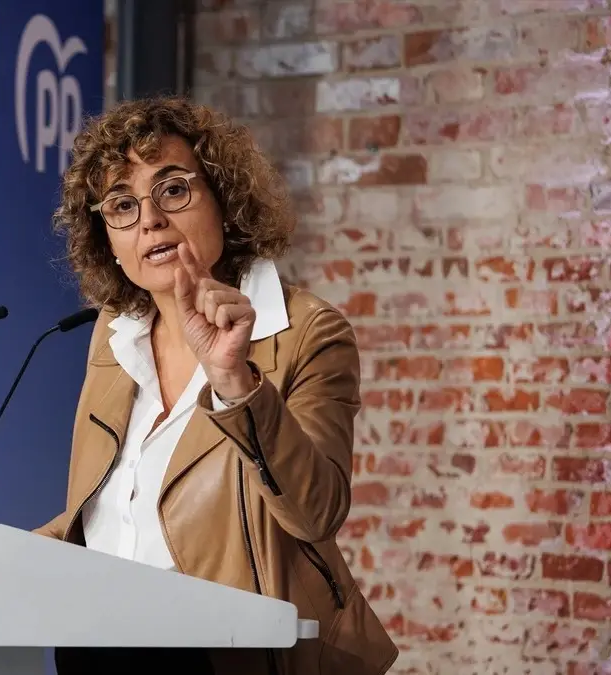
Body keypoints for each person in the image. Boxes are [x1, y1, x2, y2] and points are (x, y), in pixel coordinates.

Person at [33, 96, 399, 675]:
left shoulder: (304, 332)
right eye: (122, 205)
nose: (150, 219)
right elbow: (113, 514)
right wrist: (11, 555)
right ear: (107, 239)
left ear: (224, 200)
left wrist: (236, 382)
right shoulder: (114, 333)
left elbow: (316, 513)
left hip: (226, 655)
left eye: (173, 189)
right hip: (95, 644)